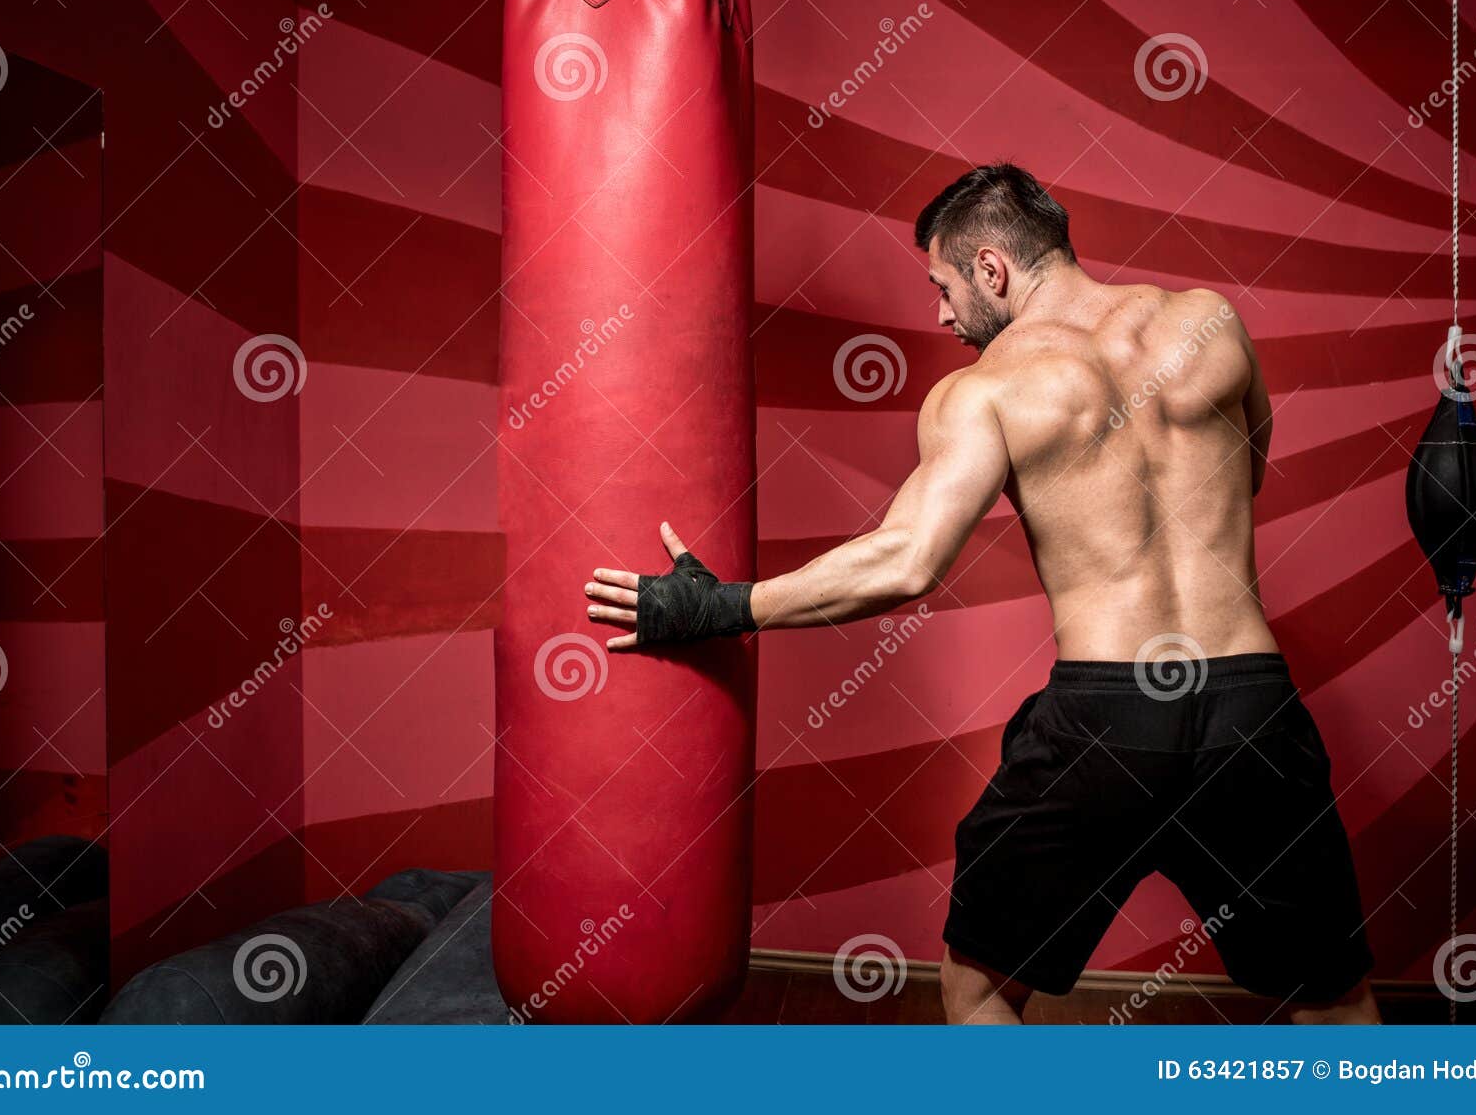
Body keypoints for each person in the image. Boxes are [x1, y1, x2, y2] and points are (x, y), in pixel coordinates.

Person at [582, 164, 1379, 1025]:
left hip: (1108, 717)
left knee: (980, 986)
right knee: (1332, 998)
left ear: (993, 270)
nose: (942, 314)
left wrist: (723, 606)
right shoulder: (1210, 323)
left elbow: (905, 559)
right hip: (1249, 708)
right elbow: (1246, 470)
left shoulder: (986, 390)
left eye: (945, 286)